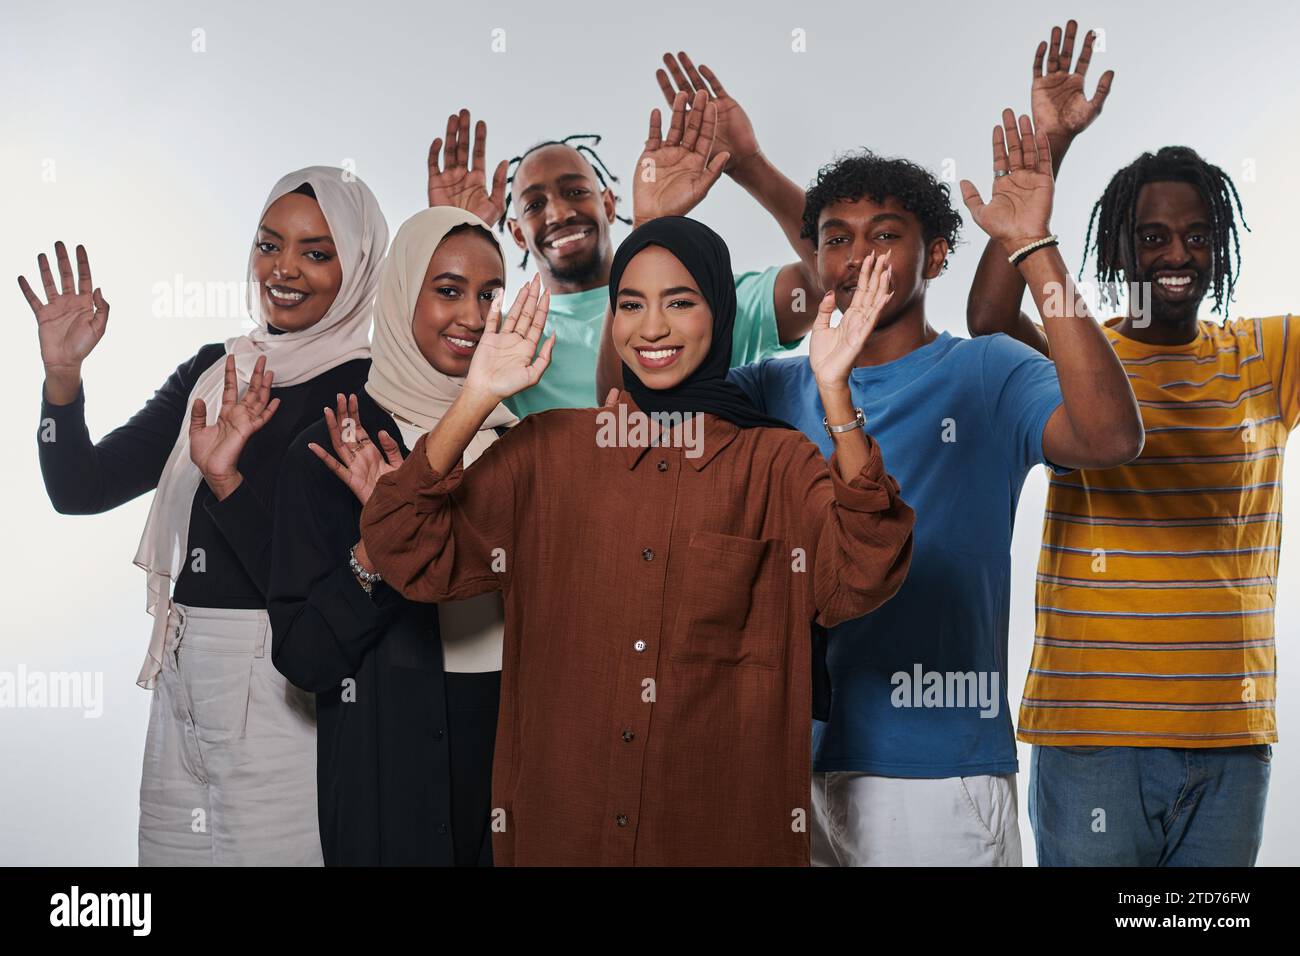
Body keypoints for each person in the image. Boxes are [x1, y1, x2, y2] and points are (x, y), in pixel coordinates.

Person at [355, 216, 915, 865]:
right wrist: (476, 396)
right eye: (631, 304)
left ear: (720, 313)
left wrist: (835, 397)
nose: (652, 327)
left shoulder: (777, 466)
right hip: (562, 837)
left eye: (680, 301)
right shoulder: (548, 453)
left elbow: (862, 572)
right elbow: (402, 543)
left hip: (715, 838)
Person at [727, 85, 1144, 863]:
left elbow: (1112, 434)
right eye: (835, 239)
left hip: (936, 775)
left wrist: (1034, 246)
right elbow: (636, 411)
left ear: (939, 255)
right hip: (789, 762)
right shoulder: (776, 386)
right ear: (815, 261)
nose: (856, 257)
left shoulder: (984, 372)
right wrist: (658, 221)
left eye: (884, 235)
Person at [967, 28, 1292, 866]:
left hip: (1231, 731)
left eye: (1195, 234)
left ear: (1219, 246)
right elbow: (991, 323)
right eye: (1152, 236)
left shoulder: (1267, 354)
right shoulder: (1081, 355)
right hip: (1092, 735)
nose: (1177, 252)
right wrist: (1045, 160)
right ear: (1117, 248)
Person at [23, 167, 388, 865]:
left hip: (277, 686)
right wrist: (62, 379)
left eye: (317, 252)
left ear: (360, 264)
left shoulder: (363, 391)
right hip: (181, 671)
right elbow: (80, 486)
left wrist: (227, 480)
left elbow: (311, 592)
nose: (283, 269)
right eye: (268, 244)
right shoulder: (216, 367)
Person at [268, 208, 512, 866]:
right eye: (449, 289)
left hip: (513, 760)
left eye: (491, 294)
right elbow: (305, 657)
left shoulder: (521, 445)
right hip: (390, 768)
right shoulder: (331, 446)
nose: (473, 314)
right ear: (404, 291)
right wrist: (381, 543)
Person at [463, 54, 822, 416]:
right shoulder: (502, 339)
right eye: (534, 205)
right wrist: (452, 232)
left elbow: (827, 278)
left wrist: (750, 164)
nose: (560, 213)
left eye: (576, 192)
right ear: (516, 234)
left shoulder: (705, 303)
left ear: (607, 204)